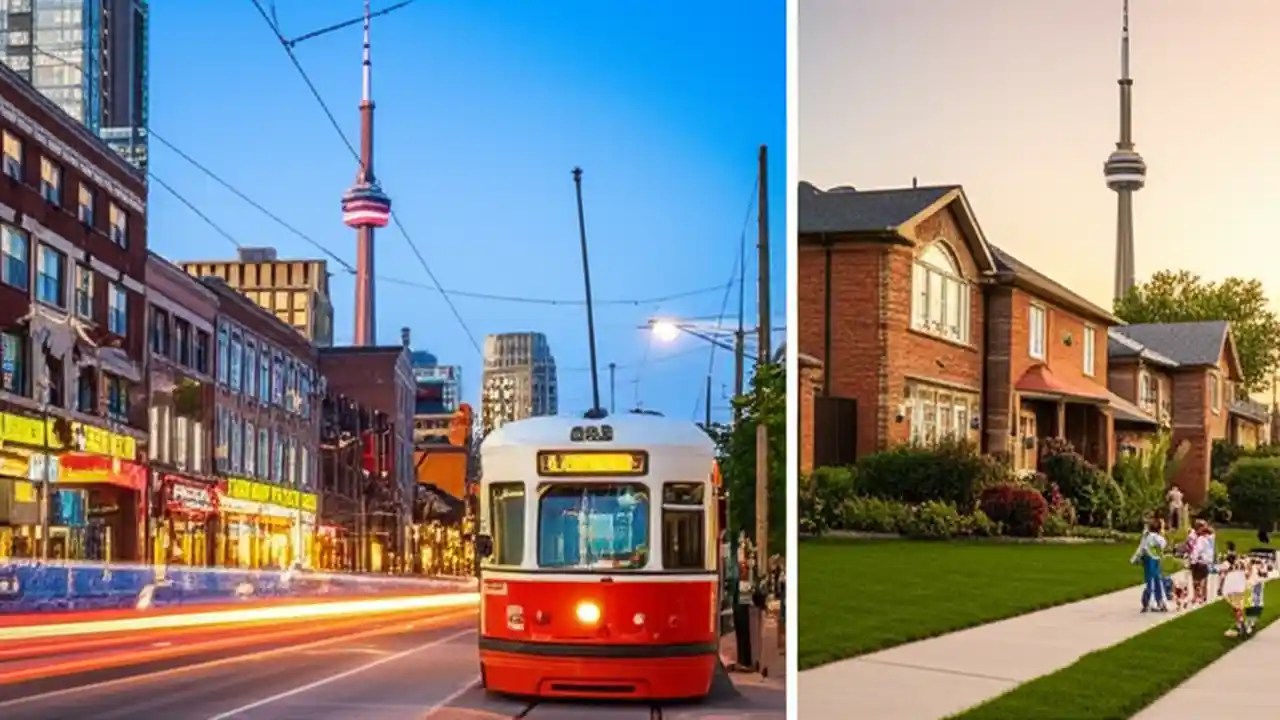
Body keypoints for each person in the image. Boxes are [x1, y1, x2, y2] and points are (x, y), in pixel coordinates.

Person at [1132, 518, 1168, 612]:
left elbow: (1141, 548)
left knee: (1150, 581)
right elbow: (1163, 544)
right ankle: (1158, 602)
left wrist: (1135, 558)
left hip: (1148, 559)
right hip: (1154, 559)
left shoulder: (1147, 536)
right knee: (1156, 580)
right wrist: (1163, 532)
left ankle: (1147, 602)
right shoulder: (1156, 537)